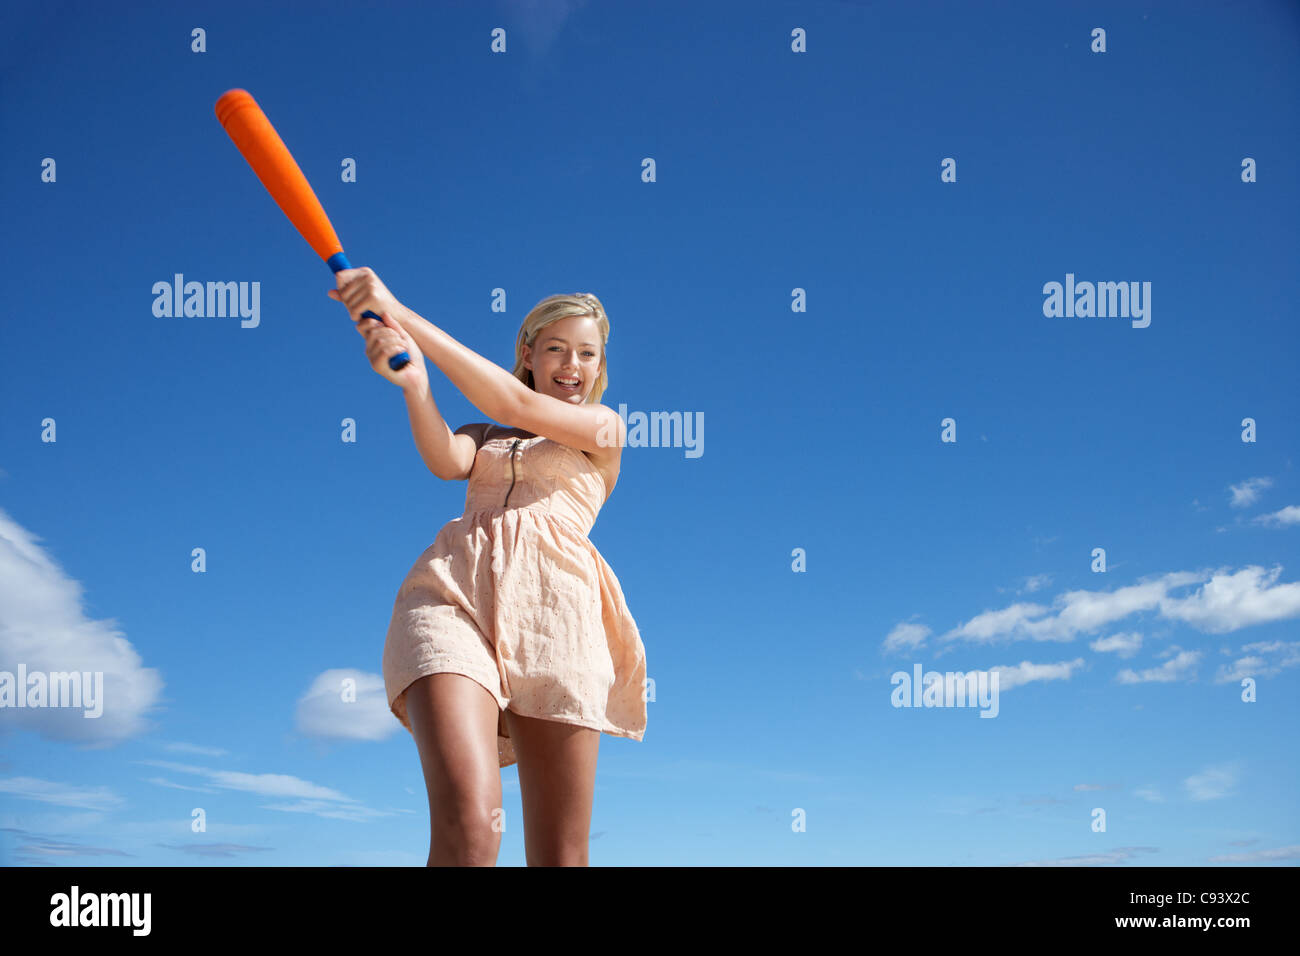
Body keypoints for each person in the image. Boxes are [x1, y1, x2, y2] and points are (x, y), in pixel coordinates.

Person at [328, 268, 647, 867]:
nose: (571, 363)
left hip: (557, 613)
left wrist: (401, 313)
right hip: (453, 593)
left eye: (587, 352)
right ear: (528, 352)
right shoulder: (488, 433)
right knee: (472, 828)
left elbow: (513, 398)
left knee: (559, 856)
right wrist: (415, 384)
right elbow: (446, 458)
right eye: (556, 347)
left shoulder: (603, 429)